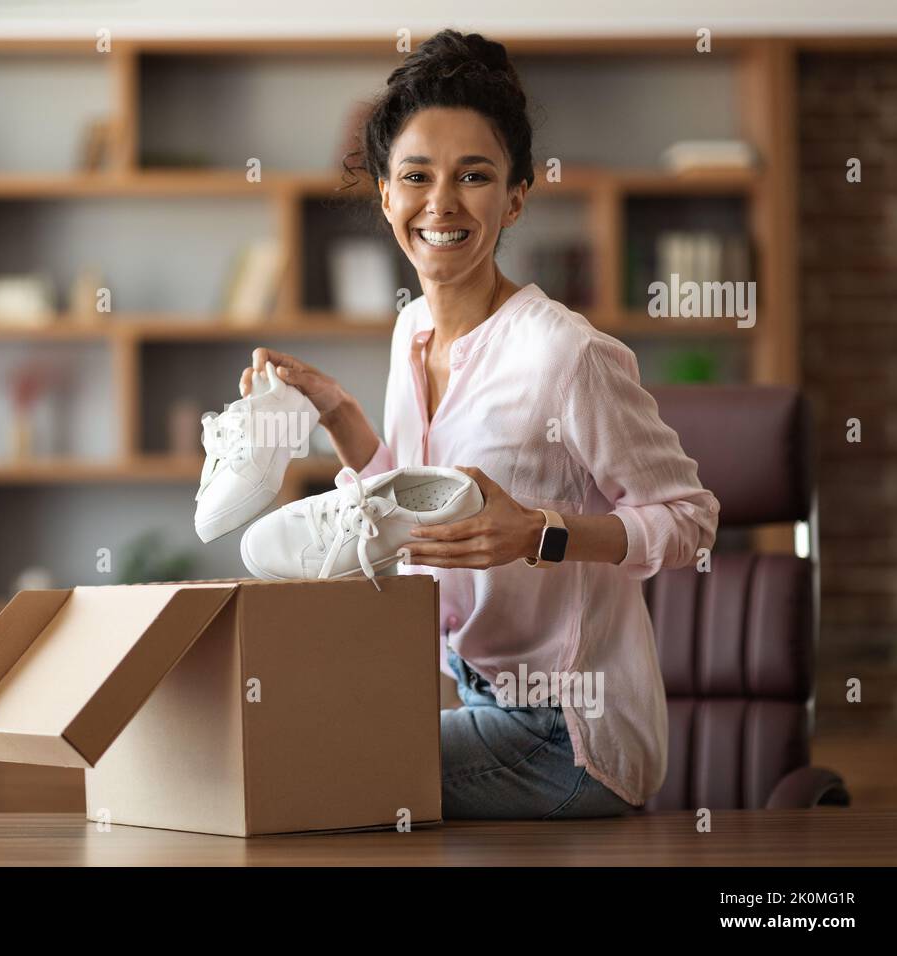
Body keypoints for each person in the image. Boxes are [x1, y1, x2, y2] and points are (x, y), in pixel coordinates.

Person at [239, 29, 720, 819]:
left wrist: (541, 533)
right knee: (284, 737)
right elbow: (415, 500)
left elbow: (692, 520)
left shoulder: (567, 354)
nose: (442, 203)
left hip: (570, 734)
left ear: (516, 196)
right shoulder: (410, 333)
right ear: (386, 195)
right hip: (470, 691)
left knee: (310, 774)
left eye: (474, 176)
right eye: (417, 177)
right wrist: (339, 413)